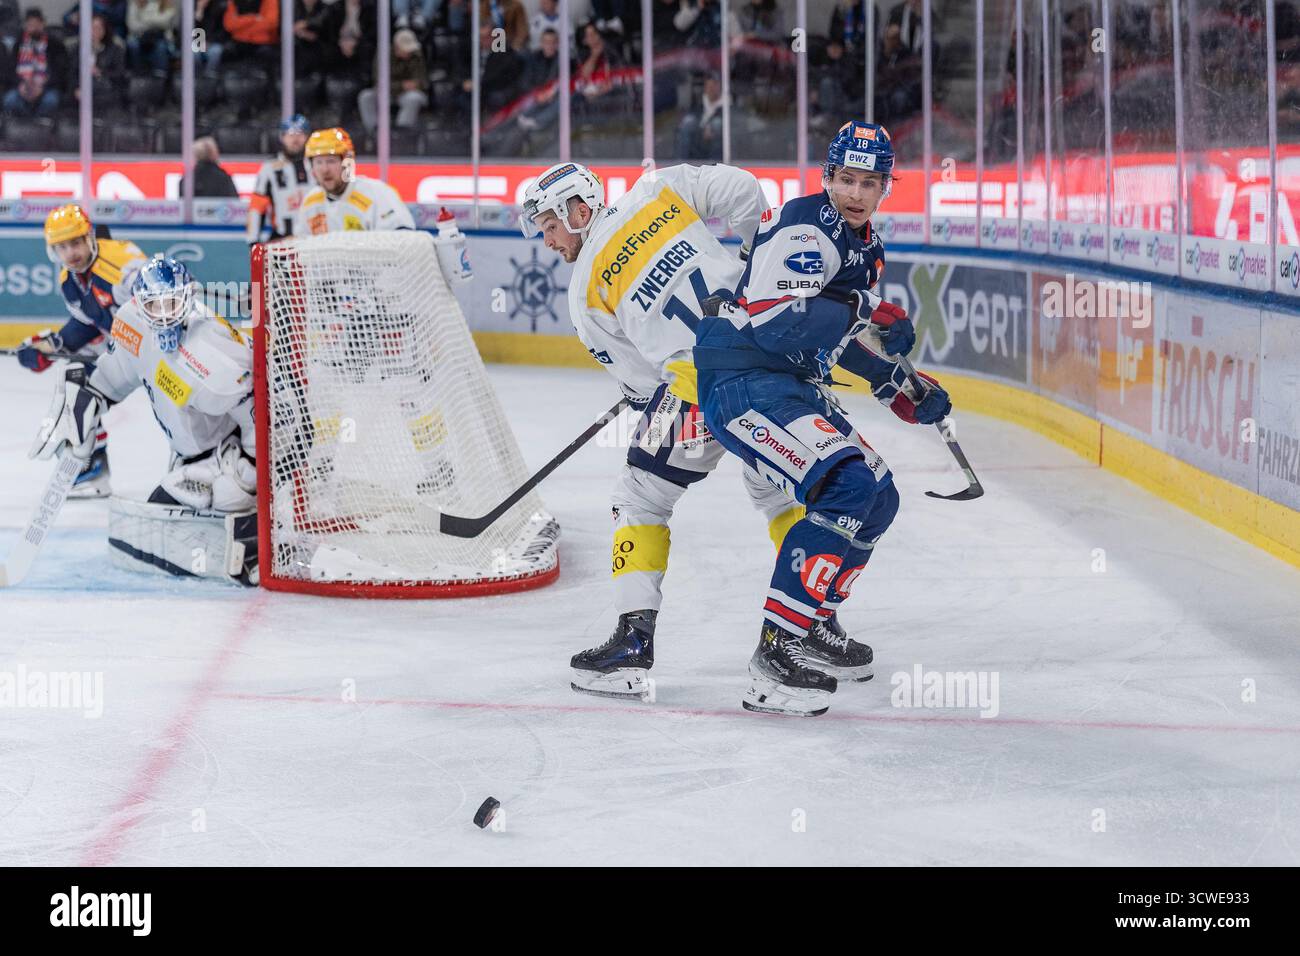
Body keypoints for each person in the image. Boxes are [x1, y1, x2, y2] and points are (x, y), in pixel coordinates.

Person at [519, 160, 874, 700]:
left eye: (548, 224)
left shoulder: (583, 296)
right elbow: (745, 191)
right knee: (786, 494)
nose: (546, 239)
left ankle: (632, 644)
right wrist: (760, 277)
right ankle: (813, 624)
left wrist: (653, 395)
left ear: (579, 209)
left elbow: (641, 383)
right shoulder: (657, 190)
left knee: (639, 500)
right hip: (767, 357)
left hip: (696, 387)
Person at [693, 121, 953, 717]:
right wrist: (869, 307)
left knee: (879, 497)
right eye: (846, 179)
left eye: (870, 182)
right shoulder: (810, 228)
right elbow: (779, 323)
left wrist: (889, 379)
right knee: (847, 486)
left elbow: (821, 332)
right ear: (827, 177)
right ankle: (774, 650)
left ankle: (808, 622)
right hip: (743, 380)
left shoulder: (862, 241)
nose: (856, 192)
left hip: (786, 382)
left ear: (888, 185)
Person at [29, 256, 259, 586]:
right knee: (150, 539)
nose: (164, 314)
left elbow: (262, 411)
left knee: (154, 539)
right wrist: (87, 397)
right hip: (185, 458)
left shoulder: (211, 345)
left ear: (188, 297)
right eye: (154, 304)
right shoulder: (133, 323)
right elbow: (115, 374)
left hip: (225, 459)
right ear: (139, 303)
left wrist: (248, 472)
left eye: (171, 303)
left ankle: (258, 529)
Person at [15, 205, 147, 498]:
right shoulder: (70, 281)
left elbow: (161, 310)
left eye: (75, 242)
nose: (70, 253)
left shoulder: (123, 266)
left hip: (159, 354)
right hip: (127, 355)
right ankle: (93, 468)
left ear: (89, 237)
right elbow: (87, 324)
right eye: (62, 247)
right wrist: (49, 348)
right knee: (80, 391)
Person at [295, 127, 415, 234]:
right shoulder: (310, 202)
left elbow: (403, 240)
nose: (325, 170)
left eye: (331, 161)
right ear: (310, 167)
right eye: (319, 162)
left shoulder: (378, 193)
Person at [247, 114, 315, 245]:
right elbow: (256, 207)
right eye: (290, 134)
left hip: (313, 240)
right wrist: (253, 241)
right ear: (282, 137)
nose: (295, 139)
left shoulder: (317, 166)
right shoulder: (269, 169)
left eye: (300, 134)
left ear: (307, 137)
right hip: (281, 239)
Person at [358, 28, 428, 135]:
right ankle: (374, 132)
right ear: (397, 47)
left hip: (406, 94)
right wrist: (402, 85)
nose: (409, 52)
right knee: (365, 96)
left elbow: (422, 81)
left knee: (414, 98)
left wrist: (414, 85)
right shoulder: (383, 54)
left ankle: (402, 133)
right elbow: (378, 82)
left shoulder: (417, 56)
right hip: (386, 92)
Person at [3, 8, 67, 118]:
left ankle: (39, 124)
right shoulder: (19, 44)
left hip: (46, 87)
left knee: (51, 101)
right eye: (30, 25)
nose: (33, 28)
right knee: (10, 100)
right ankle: (26, 123)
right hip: (23, 87)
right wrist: (20, 85)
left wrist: (42, 87)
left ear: (43, 24)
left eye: (36, 24)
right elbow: (10, 71)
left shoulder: (55, 45)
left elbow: (60, 73)